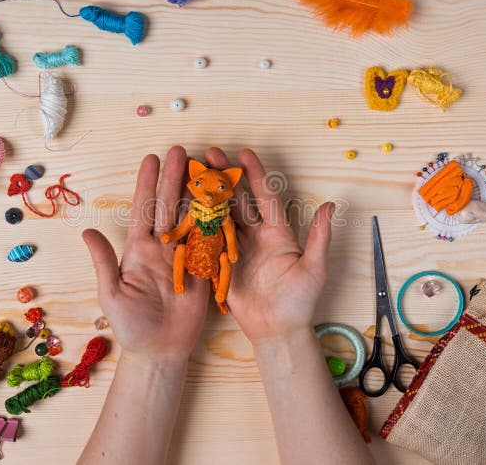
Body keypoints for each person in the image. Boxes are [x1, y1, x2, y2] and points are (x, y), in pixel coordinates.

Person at [78, 146, 373, 465]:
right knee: (181, 255)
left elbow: (230, 238)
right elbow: (180, 230)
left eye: (218, 187)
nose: (207, 194)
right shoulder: (197, 214)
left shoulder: (222, 218)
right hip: (188, 259)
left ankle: (219, 297)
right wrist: (152, 356)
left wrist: (283, 335)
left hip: (218, 260)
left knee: (222, 263)